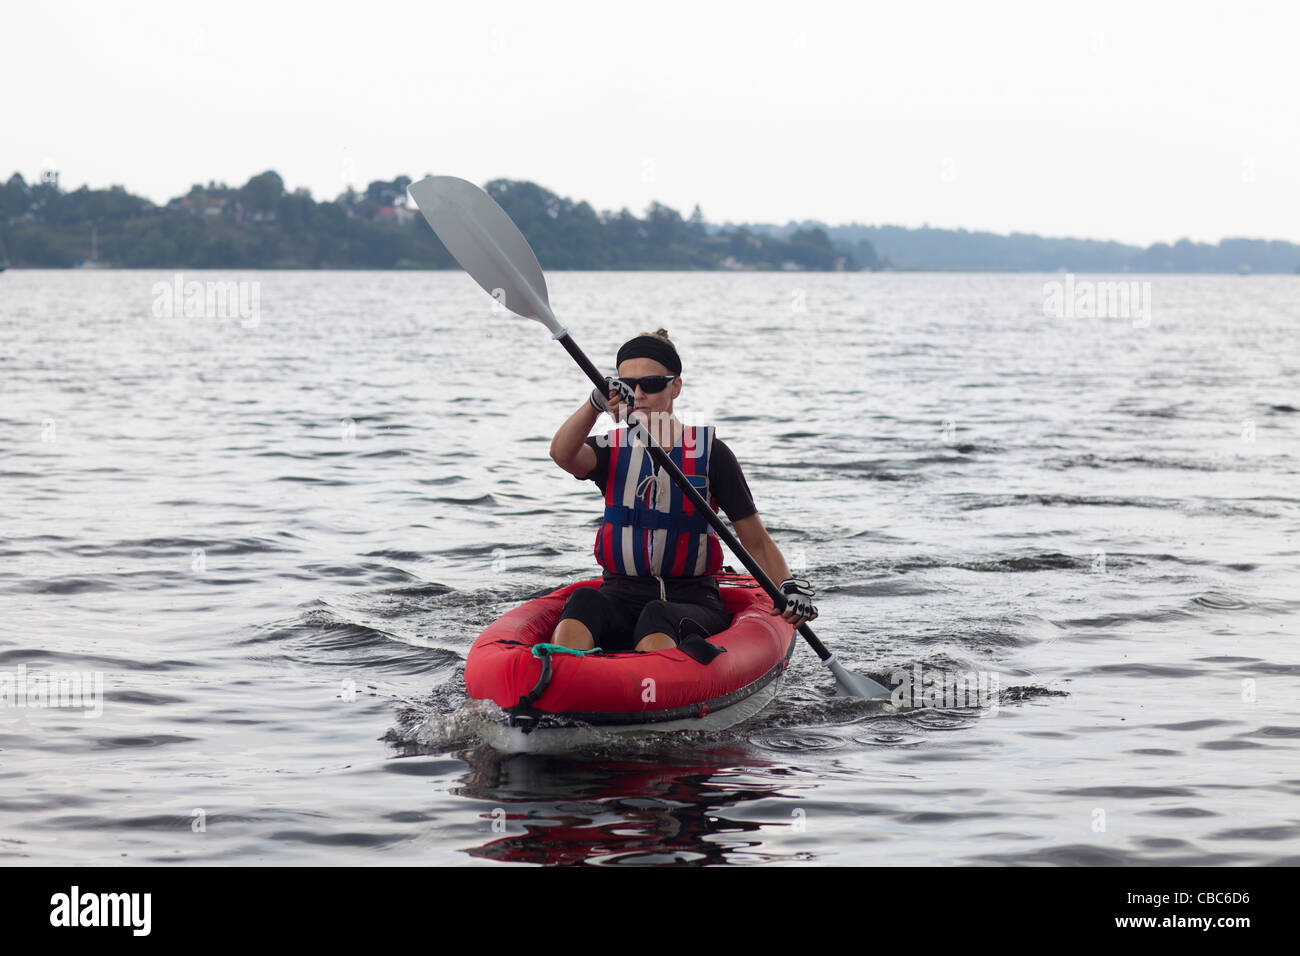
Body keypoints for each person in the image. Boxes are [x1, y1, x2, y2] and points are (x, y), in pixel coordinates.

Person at [547, 329, 817, 662]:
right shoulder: (608, 450)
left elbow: (756, 541)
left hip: (691, 601)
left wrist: (787, 587)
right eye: (628, 386)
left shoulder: (712, 455)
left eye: (653, 384)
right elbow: (561, 454)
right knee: (583, 603)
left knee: (656, 616)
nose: (640, 394)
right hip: (620, 594)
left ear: (676, 386)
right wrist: (593, 405)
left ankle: (653, 695)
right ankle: (562, 679)